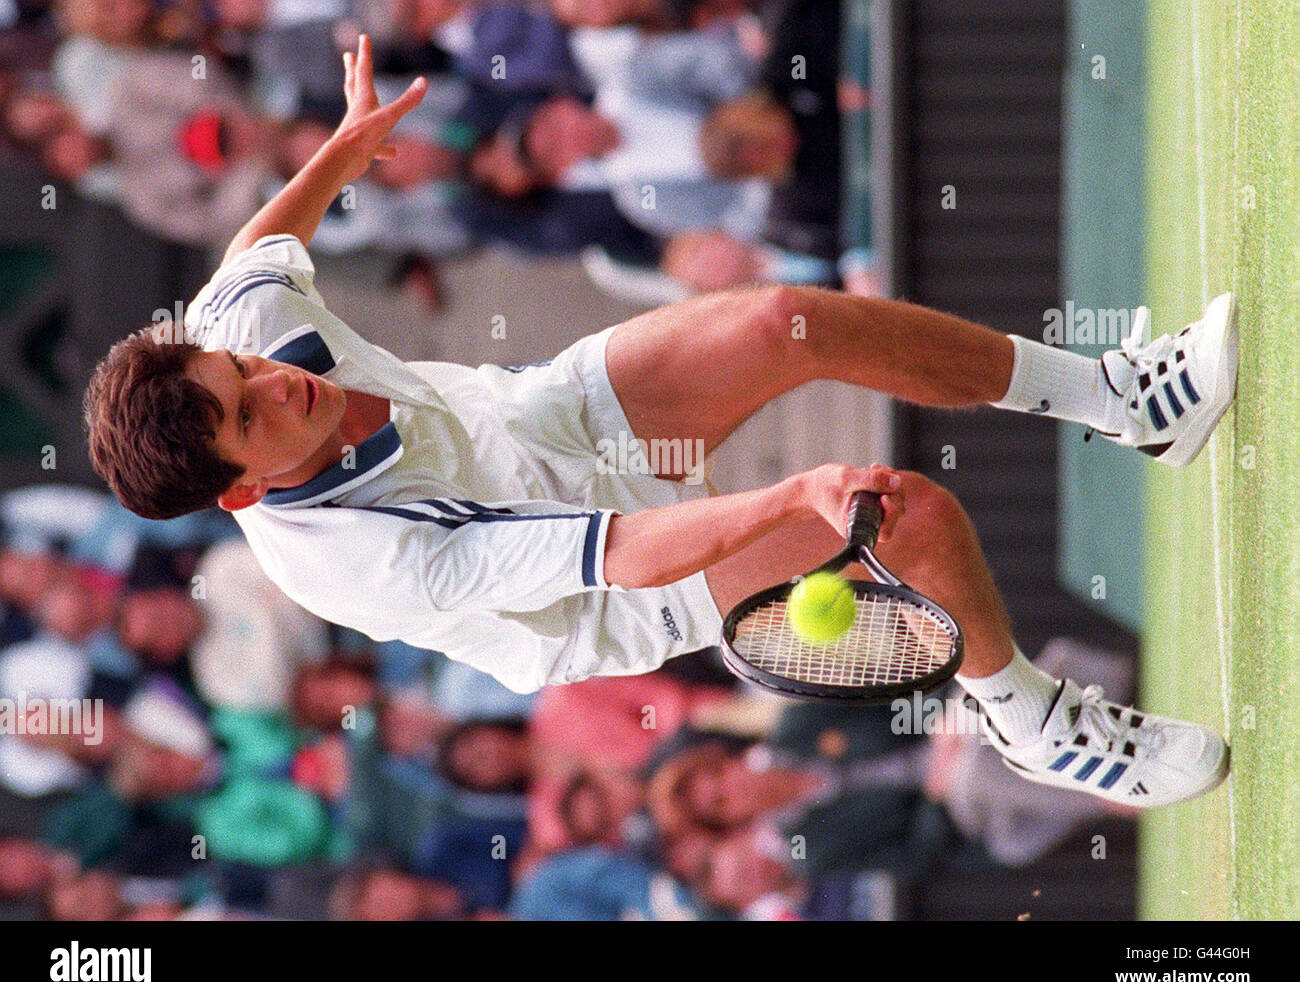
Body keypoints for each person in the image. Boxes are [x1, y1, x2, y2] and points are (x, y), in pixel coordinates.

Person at [83, 37, 1238, 809]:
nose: (273, 381)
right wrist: (794, 497)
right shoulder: (354, 562)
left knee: (786, 318)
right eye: (249, 413)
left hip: (546, 416)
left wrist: (339, 154)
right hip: (608, 593)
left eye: (240, 366)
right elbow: (621, 554)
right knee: (902, 513)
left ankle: (1126, 401)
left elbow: (251, 257)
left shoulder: (238, 325)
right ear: (241, 489)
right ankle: (1028, 718)